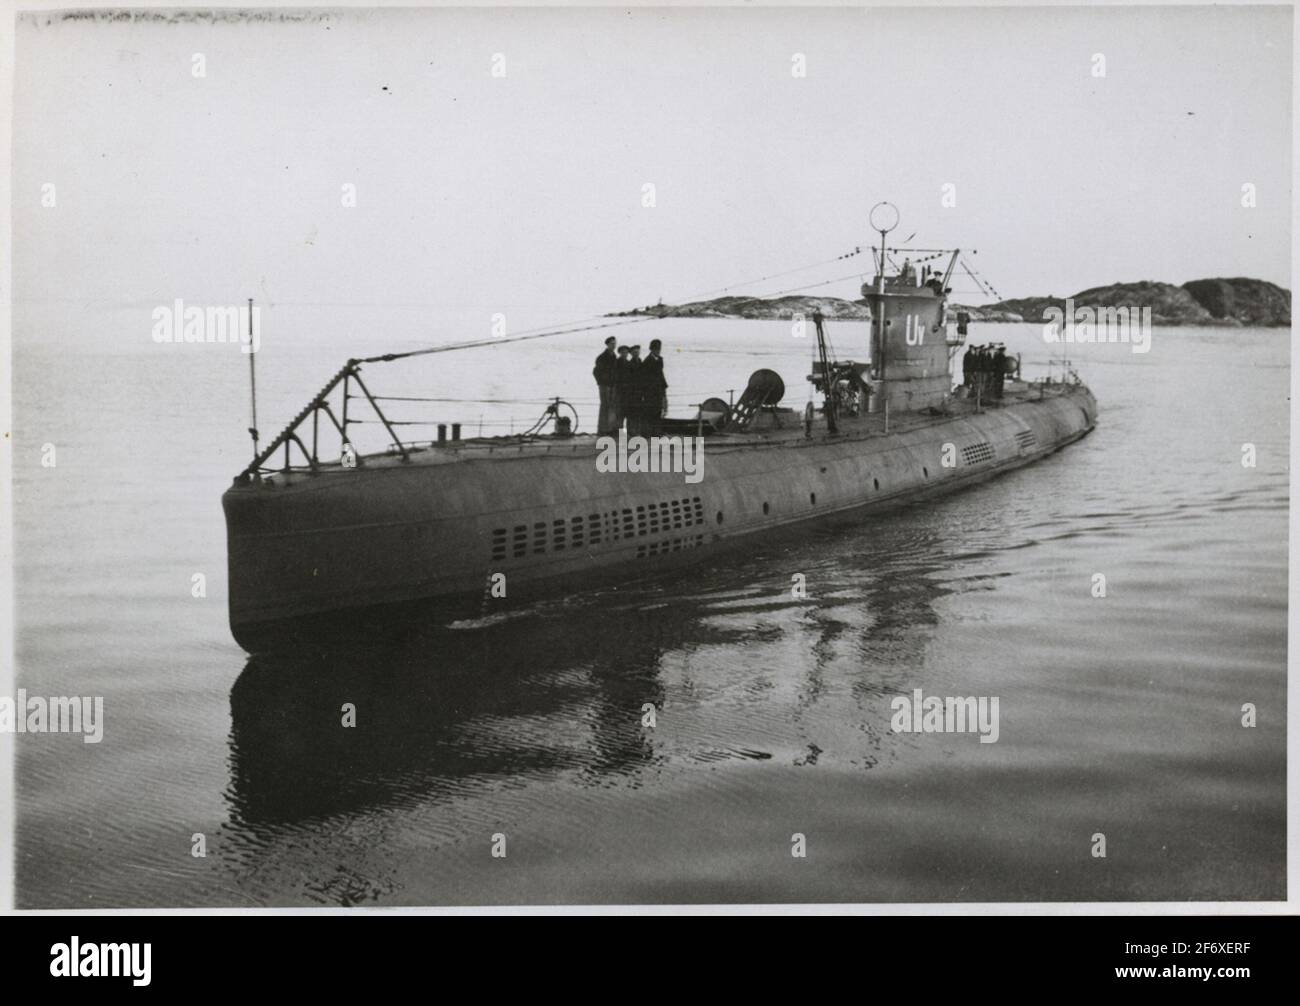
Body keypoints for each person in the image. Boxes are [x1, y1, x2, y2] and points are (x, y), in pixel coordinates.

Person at [592, 336, 618, 435]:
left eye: (615, 343)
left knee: (611, 406)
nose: (614, 345)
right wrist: (601, 383)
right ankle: (602, 429)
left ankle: (609, 428)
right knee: (605, 406)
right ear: (607, 344)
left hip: (612, 385)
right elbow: (595, 372)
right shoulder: (602, 357)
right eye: (612, 343)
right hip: (604, 386)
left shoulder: (614, 356)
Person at [642, 339, 668, 435]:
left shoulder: (660, 360)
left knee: (658, 409)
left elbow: (661, 374)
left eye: (659, 349)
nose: (658, 351)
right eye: (656, 349)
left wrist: (664, 386)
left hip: (659, 389)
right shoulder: (647, 361)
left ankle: (657, 431)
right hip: (650, 391)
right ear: (651, 349)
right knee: (650, 410)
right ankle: (649, 431)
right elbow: (644, 378)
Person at [612, 345, 633, 431]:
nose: (625, 354)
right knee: (619, 413)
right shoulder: (616, 363)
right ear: (620, 353)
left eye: (626, 352)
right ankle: (619, 431)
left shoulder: (629, 363)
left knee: (627, 412)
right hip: (619, 392)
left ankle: (626, 431)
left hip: (628, 392)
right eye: (623, 352)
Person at [627, 345, 645, 435]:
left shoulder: (641, 362)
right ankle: (631, 431)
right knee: (632, 411)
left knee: (639, 411)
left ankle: (637, 430)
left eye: (638, 351)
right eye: (634, 352)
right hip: (632, 391)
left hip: (640, 390)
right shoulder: (630, 364)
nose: (637, 353)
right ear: (631, 353)